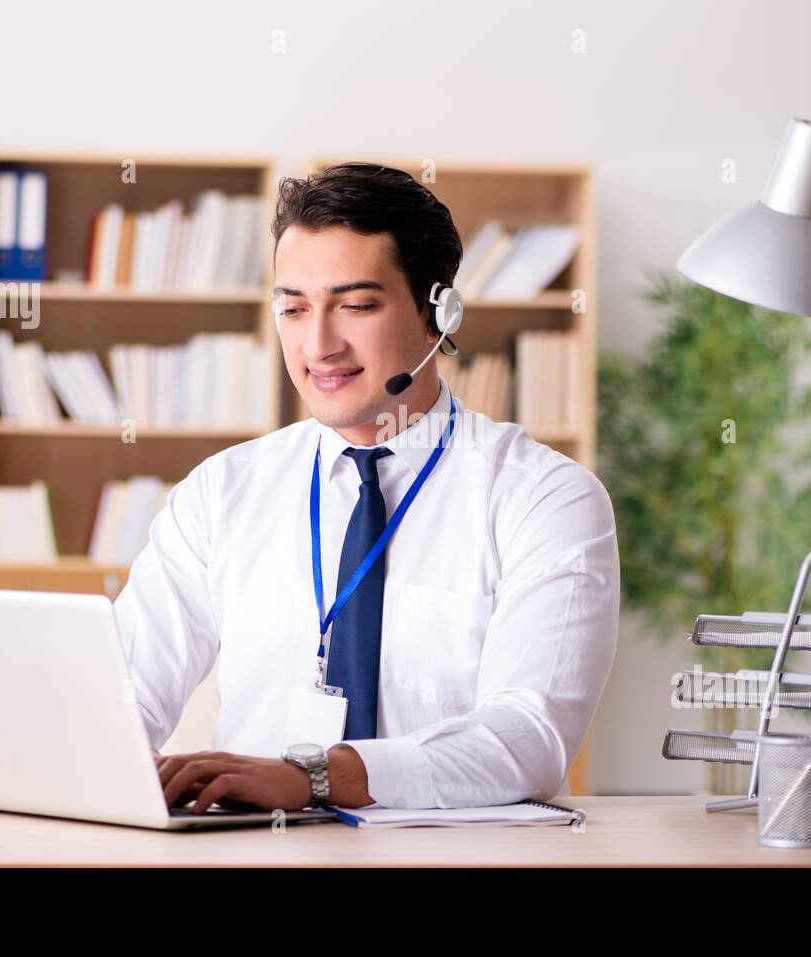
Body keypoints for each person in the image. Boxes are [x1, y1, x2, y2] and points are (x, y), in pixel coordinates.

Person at [113, 162, 619, 812]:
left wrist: (317, 775)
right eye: (293, 307)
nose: (318, 344)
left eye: (354, 305)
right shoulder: (220, 494)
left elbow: (529, 736)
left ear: (440, 312)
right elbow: (120, 696)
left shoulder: (546, 499)